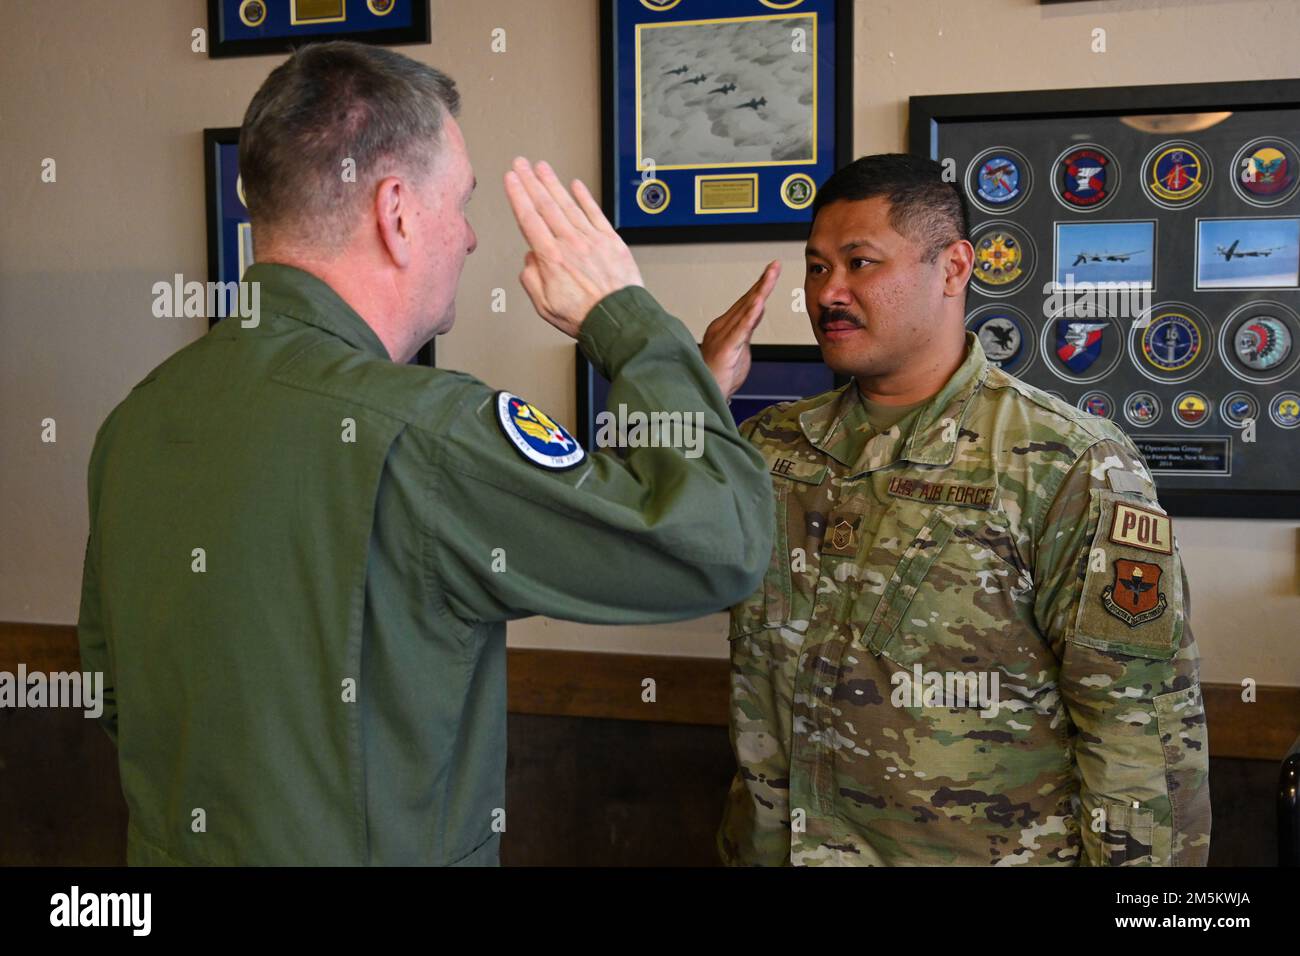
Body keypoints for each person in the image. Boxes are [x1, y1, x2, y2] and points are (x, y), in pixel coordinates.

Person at [77, 41, 776, 866]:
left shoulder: (139, 419)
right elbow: (721, 542)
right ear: (398, 212)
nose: (472, 239)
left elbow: (115, 694)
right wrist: (629, 324)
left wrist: (687, 405)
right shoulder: (424, 433)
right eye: (463, 202)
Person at [709, 153, 1210, 866]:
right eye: (817, 267)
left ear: (952, 269)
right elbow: (627, 559)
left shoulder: (1067, 463)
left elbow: (1141, 736)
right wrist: (687, 399)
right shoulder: (768, 450)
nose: (829, 293)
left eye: (860, 263)